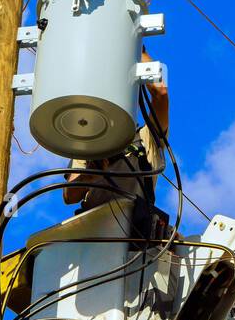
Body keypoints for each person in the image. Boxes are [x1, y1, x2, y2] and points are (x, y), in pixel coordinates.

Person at [62, 48, 169, 213]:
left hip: (133, 232)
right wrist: (89, 175)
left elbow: (160, 93)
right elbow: (70, 196)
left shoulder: (147, 138)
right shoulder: (89, 141)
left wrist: (136, 47)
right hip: (93, 231)